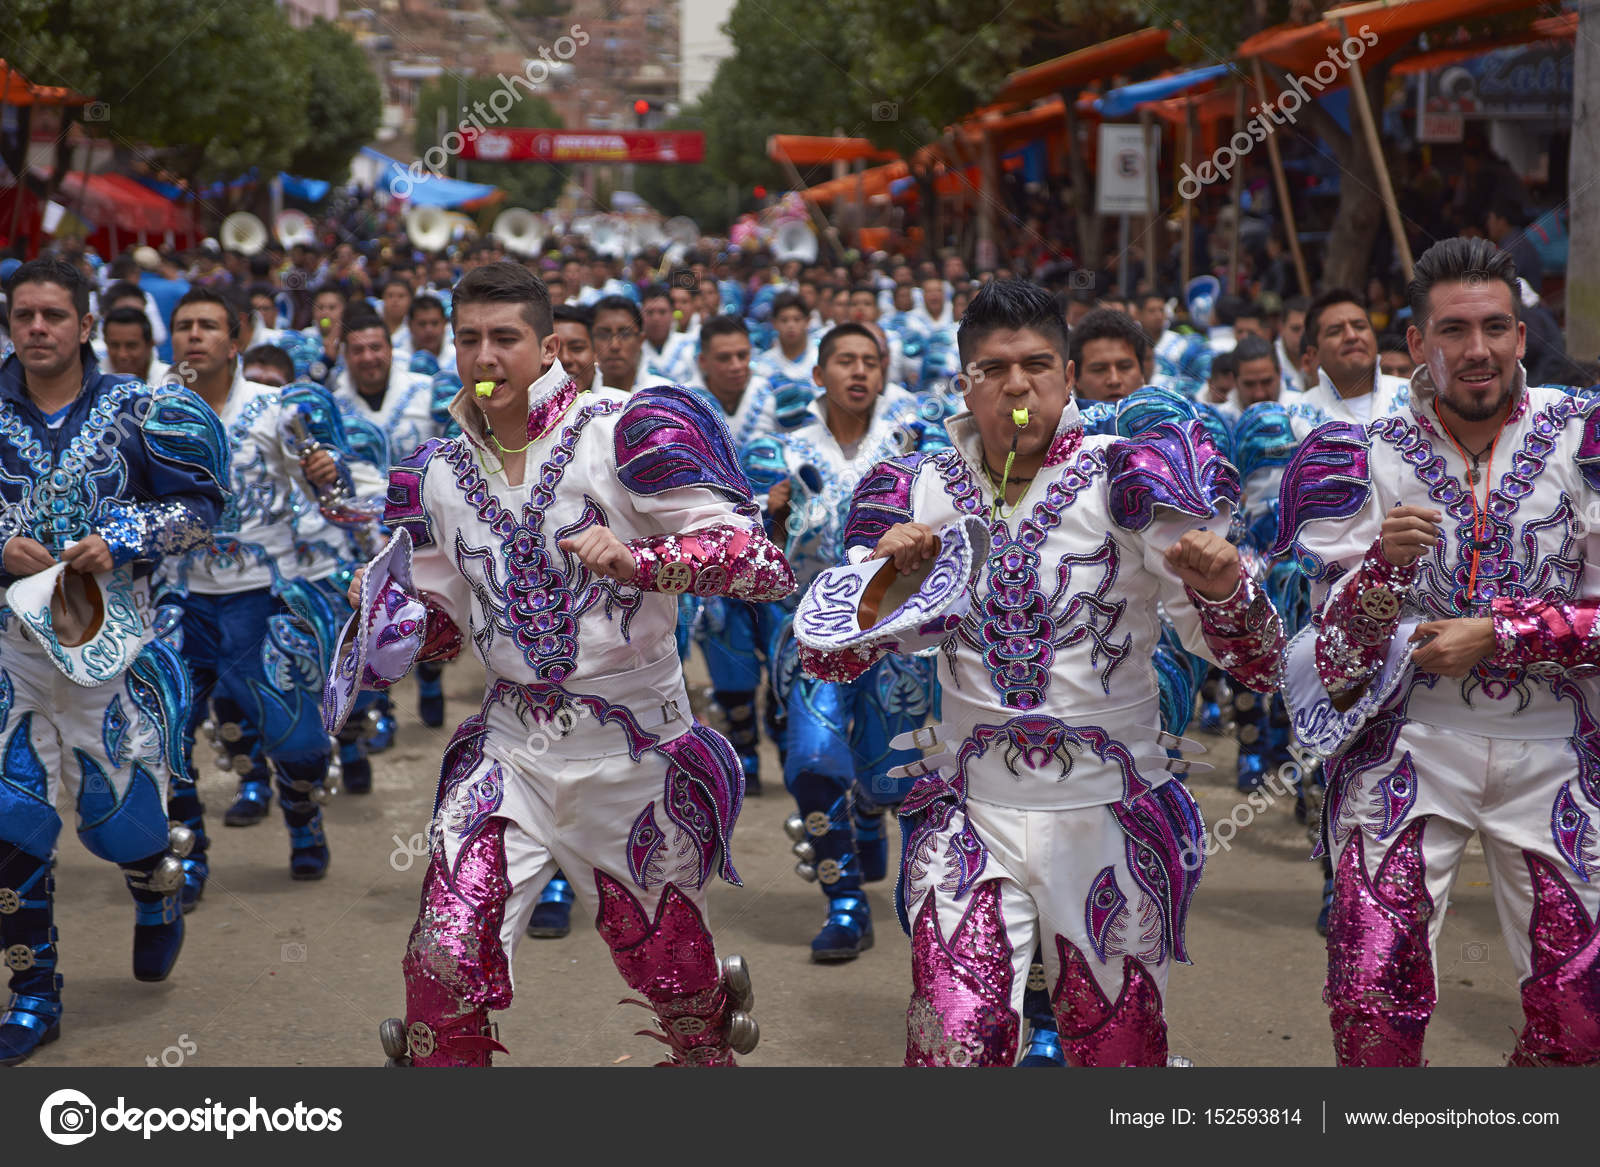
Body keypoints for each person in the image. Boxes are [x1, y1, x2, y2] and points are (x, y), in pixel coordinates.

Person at [796, 280, 1285, 1065]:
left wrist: (1224, 585)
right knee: (954, 1048)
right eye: (993, 369)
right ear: (964, 380)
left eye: (1035, 365)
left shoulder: (1129, 481)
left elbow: (1254, 658)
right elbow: (832, 654)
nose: (1016, 386)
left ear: (1067, 375)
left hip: (1107, 811)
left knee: (1117, 1054)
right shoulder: (915, 489)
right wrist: (890, 583)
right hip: (970, 812)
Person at [329, 261, 795, 1067]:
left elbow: (759, 561)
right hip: (509, 752)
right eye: (468, 338)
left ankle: (706, 1027)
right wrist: (387, 621)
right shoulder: (435, 472)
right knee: (441, 959)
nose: (485, 358)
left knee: (674, 981)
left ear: (549, 347)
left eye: (505, 338)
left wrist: (641, 560)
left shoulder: (625, 431)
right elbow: (444, 620)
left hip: (637, 757)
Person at [1275, 235, 1600, 1066]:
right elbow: (1333, 662)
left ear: (1523, 335)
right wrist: (1382, 567)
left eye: (1497, 326)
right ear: (1417, 345)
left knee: (1580, 1020)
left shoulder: (1581, 440)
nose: (1479, 349)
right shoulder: (1361, 455)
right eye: (1455, 330)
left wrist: (1506, 633)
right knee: (1370, 1006)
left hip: (1558, 751)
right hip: (1408, 750)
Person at [0, 258, 228, 1065]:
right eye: (23, 314)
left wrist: (122, 537)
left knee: (120, 824)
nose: (36, 329)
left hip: (116, 647)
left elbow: (203, 508)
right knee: (9, 822)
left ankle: (156, 885)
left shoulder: (145, 408)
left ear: (86, 325)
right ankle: (33, 991)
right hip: (12, 650)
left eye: (53, 315)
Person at [157, 288, 379, 890]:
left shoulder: (276, 409)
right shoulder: (154, 412)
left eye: (207, 326)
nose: (193, 337)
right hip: (180, 599)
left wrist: (324, 471)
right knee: (164, 731)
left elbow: (331, 500)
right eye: (183, 327)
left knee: (298, 742)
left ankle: (303, 816)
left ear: (235, 341)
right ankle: (190, 855)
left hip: (263, 596)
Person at [743, 322, 940, 961]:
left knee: (897, 775)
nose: (858, 373)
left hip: (895, 642)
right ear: (818, 375)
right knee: (812, 763)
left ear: (883, 375)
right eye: (844, 362)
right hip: (816, 640)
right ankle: (846, 902)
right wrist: (770, 516)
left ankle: (901, 861)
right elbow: (752, 558)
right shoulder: (780, 451)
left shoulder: (916, 449)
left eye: (869, 363)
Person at [329, 309, 455, 737]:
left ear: (391, 349)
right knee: (370, 615)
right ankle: (377, 712)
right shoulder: (334, 404)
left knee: (431, 606)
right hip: (360, 529)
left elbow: (453, 451)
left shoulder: (427, 391)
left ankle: (432, 679)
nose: (368, 357)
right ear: (344, 355)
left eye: (375, 347)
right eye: (357, 349)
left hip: (426, 526)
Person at [1284, 288, 1410, 433]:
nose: (1351, 336)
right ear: (1313, 354)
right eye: (1335, 331)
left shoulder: (1416, 397)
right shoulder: (1294, 419)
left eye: (1360, 327)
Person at [1069, 308, 1147, 404]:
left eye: (1125, 367)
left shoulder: (1168, 415)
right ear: (1074, 378)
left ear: (1142, 372)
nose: (1114, 380)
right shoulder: (1058, 418)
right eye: (1099, 369)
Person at [754, 291, 819, 390]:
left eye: (797, 319)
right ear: (774, 323)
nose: (791, 326)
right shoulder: (763, 365)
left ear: (807, 321)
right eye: (784, 320)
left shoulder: (820, 360)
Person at [639, 284, 697, 386]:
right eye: (650, 312)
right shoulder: (634, 347)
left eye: (662, 312)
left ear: (672, 314)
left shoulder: (690, 345)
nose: (656, 318)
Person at [1485, 199, 1544, 293]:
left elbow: (1500, 282)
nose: (1488, 224)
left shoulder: (1515, 245)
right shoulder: (1514, 240)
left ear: (1502, 222)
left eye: (1490, 219)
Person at [101, 306, 170, 384]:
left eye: (131, 346)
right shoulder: (94, 380)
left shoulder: (170, 382)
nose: (122, 355)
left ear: (150, 345)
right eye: (114, 345)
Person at [551, 304, 598, 393]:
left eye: (577, 348)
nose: (565, 359)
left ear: (595, 353)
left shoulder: (622, 404)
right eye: (553, 350)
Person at [405, 293, 455, 377]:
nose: (429, 330)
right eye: (422, 324)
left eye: (434, 323)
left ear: (444, 323)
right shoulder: (397, 359)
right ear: (410, 325)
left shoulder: (458, 358)